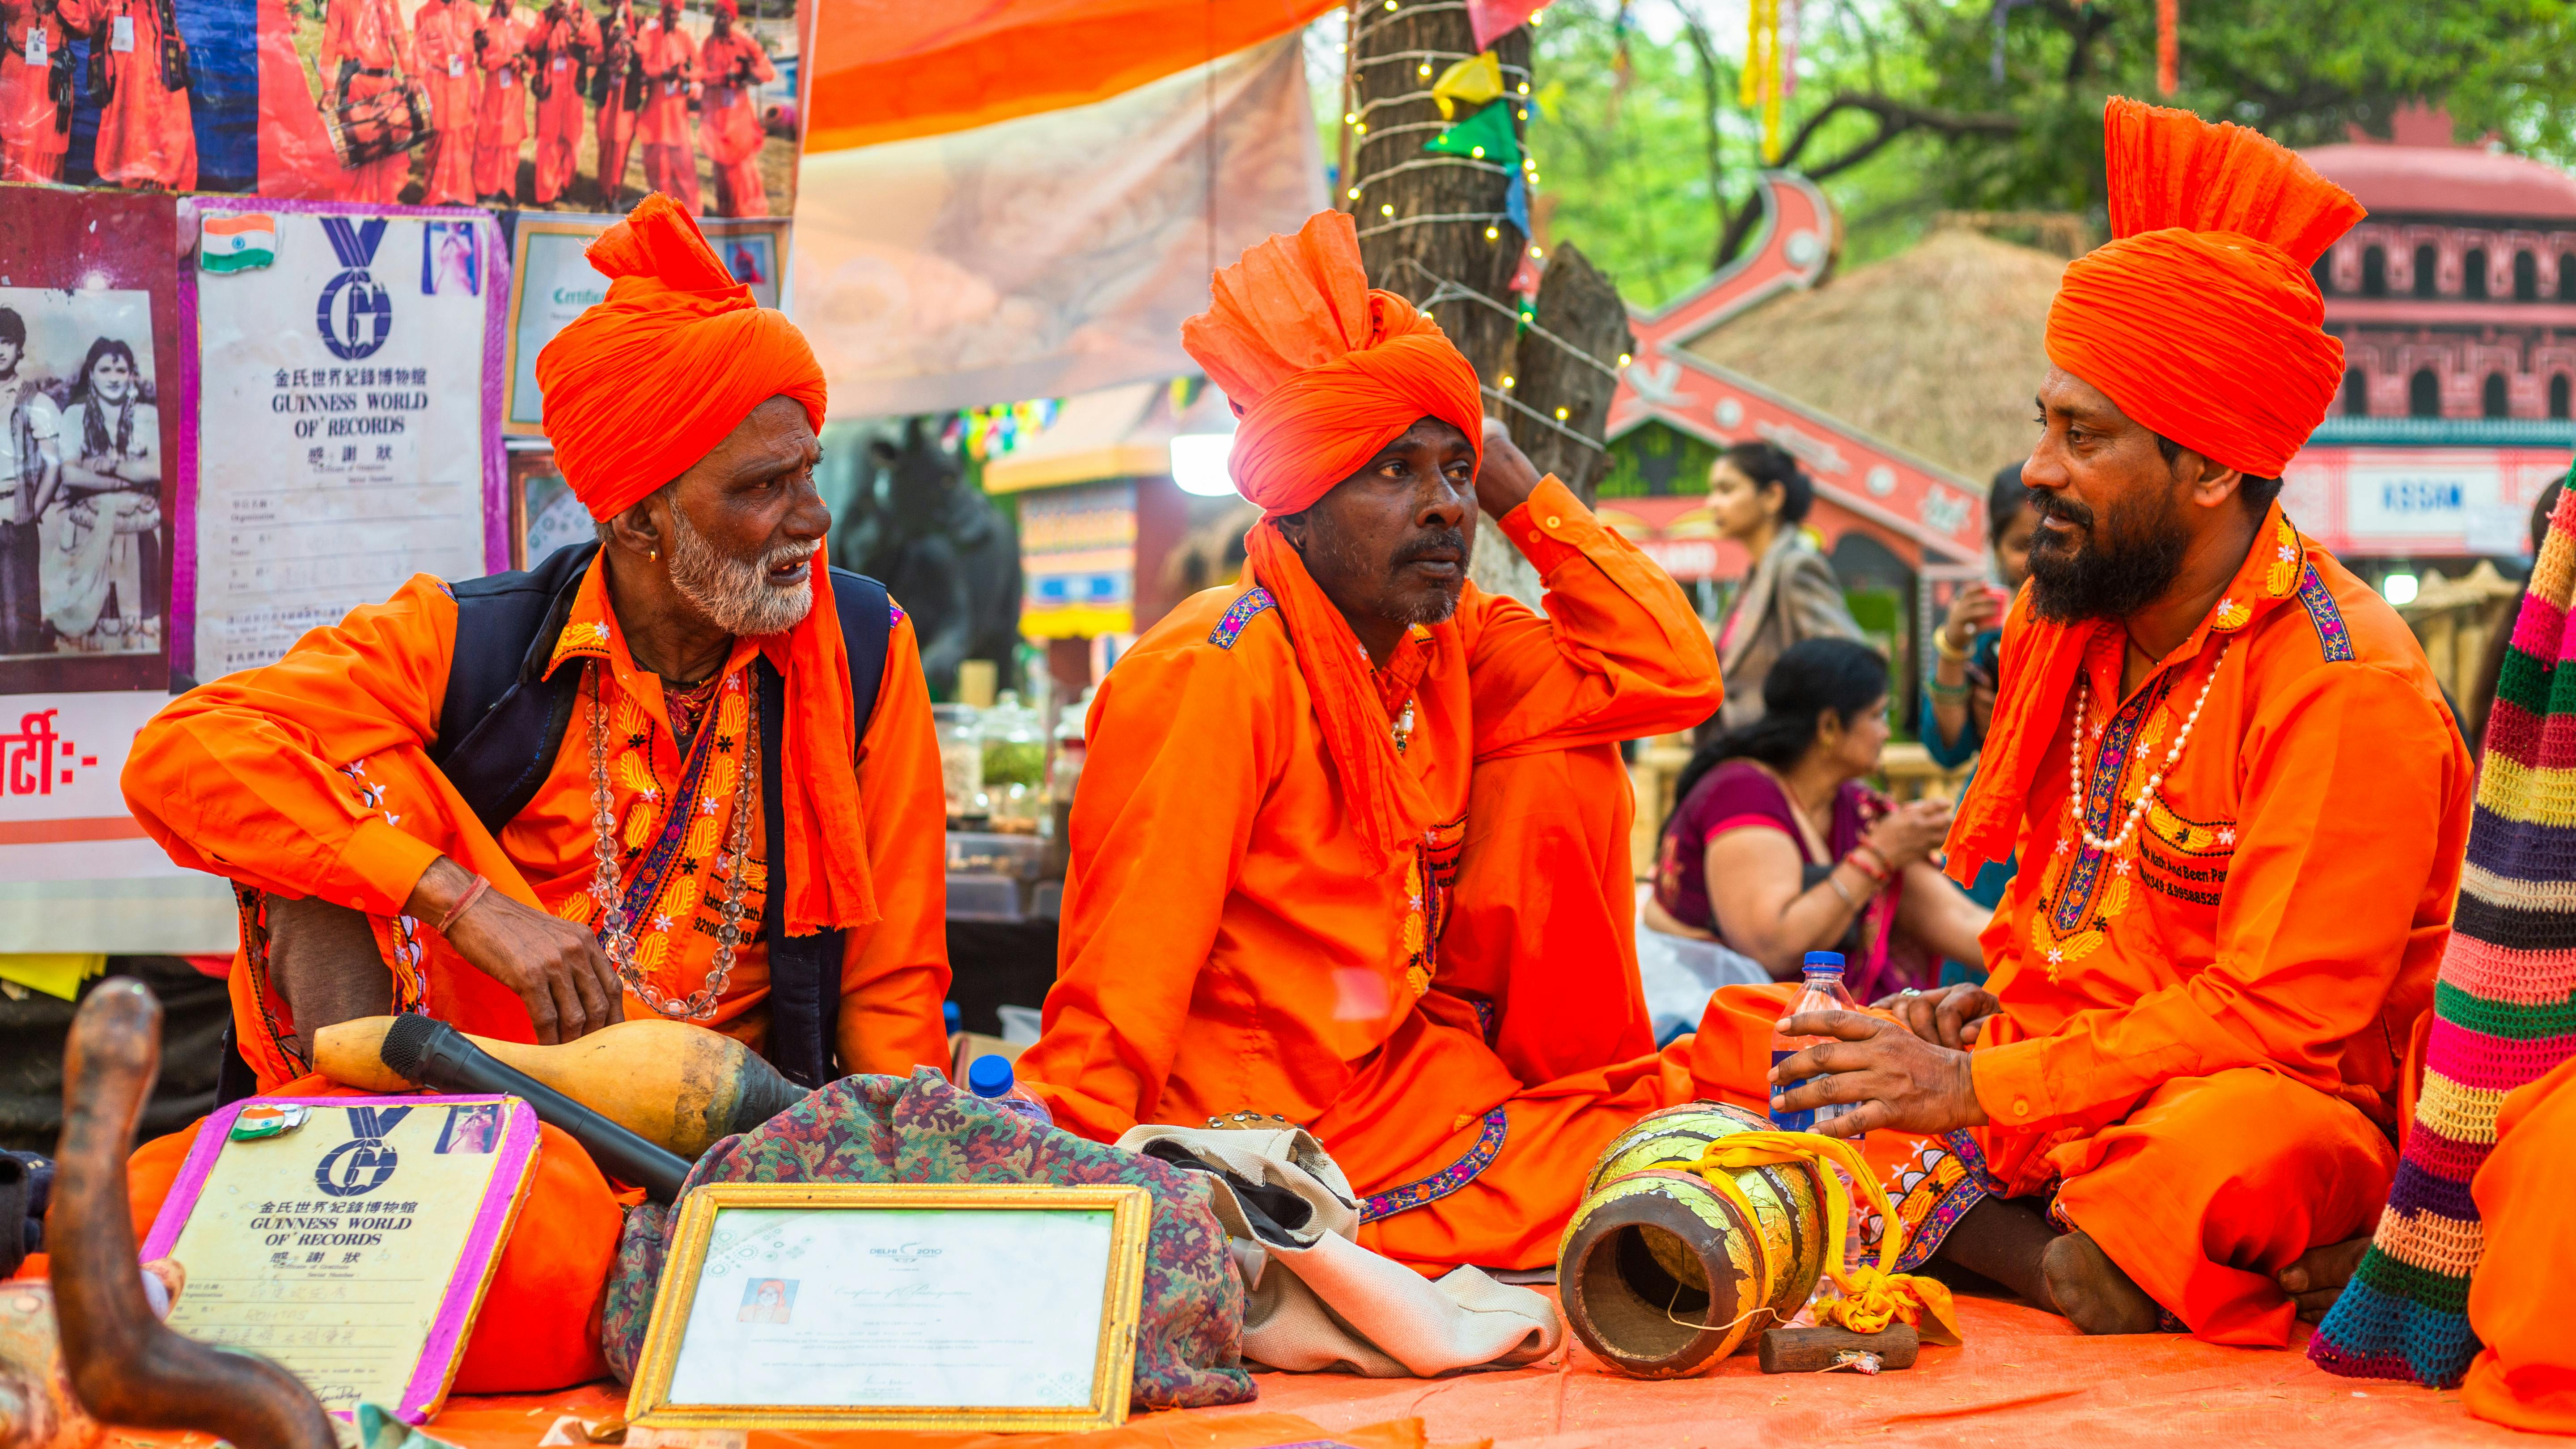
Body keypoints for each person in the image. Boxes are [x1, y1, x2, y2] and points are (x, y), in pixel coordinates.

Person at [121, 197, 952, 1385]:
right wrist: (463, 901)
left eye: (811, 470)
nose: (813, 522)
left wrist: (896, 1180)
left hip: (738, 1149)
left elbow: (896, 980)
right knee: (327, 792)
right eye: (764, 489)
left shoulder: (862, 645)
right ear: (639, 515)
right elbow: (183, 757)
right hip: (483, 1153)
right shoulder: (464, 643)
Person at [1692, 97, 2472, 1345]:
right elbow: (2063, 931)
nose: (2041, 470)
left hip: (2253, 1103)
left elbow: (2281, 1019)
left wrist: (1968, 1086)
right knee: (1766, 1038)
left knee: (2218, 1155)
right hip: (2068, 1075)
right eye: (2042, 427)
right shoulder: (2072, 631)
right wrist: (1967, 1019)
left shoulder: (2344, 680)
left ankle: (2033, 1239)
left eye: (2084, 436)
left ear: (2212, 470)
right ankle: (2054, 1250)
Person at [1015, 210, 1727, 1275]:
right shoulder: (1215, 669)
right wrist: (1064, 1219)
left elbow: (1669, 671)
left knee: (1744, 1080)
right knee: (1696, 1163)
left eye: (1452, 472)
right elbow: (1119, 988)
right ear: (1296, 504)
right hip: (1278, 1148)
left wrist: (1516, 489)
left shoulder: (1448, 646)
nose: (1443, 507)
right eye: (1392, 471)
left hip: (1419, 1086)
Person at [1649, 636, 1987, 993]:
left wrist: (2048, 954)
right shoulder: (1742, 794)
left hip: (1818, 1029)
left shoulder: (1858, 809)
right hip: (1726, 1024)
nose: (1886, 733)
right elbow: (1774, 947)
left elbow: (1960, 921)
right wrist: (1878, 856)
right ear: (1828, 727)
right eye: (1876, 716)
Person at [1921, 463, 2038, 974]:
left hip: (2057, 814)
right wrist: (1953, 647)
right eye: (2019, 544)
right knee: (1976, 965)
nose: (2036, 558)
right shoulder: (1987, 641)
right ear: (1994, 547)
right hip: (1994, 829)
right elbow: (1945, 745)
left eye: (2050, 536)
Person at [1703, 441, 1860, 738]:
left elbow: (1849, 663)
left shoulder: (1796, 568)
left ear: (1772, 497)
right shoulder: (1754, 578)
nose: (1712, 502)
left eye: (1726, 490)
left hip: (1781, 761)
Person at [46, 337, 158, 654]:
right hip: (88, 530)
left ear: (132, 375)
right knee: (87, 648)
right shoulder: (74, 416)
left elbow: (156, 471)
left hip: (140, 532)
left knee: (139, 644)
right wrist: (124, 479)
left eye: (121, 370)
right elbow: (72, 474)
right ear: (91, 373)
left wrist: (106, 466)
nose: (113, 377)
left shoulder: (147, 415)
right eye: (104, 369)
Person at [57, 0, 191, 190]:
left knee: (174, 154)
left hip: (164, 69)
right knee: (128, 150)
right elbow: (83, 18)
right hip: (128, 75)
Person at [0, 309, 61, 656]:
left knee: (17, 623)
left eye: (6, 342)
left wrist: (33, 510)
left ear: (19, 347)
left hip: (14, 519)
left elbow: (54, 465)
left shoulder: (35, 401)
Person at [317, 0, 415, 204]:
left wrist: (410, 73)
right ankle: (357, 205)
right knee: (358, 148)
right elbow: (329, 43)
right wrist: (328, 87)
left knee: (391, 151)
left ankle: (387, 203)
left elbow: (401, 38)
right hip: (356, 83)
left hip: (387, 84)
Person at [694, 0, 766, 217]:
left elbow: (766, 70)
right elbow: (699, 74)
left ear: (733, 19)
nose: (723, 20)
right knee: (721, 171)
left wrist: (750, 75)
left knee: (742, 169)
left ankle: (745, 214)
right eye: (720, 16)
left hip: (739, 118)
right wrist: (723, 78)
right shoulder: (709, 43)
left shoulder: (744, 43)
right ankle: (724, 211)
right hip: (717, 118)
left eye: (728, 17)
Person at [411, 0, 480, 205]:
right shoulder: (423, 14)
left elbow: (483, 44)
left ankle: (462, 195)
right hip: (438, 84)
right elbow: (417, 54)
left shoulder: (471, 11)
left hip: (464, 84)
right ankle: (436, 196)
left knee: (463, 139)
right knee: (437, 138)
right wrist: (418, 83)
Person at [524, 0, 593, 203]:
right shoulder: (544, 16)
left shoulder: (583, 15)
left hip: (573, 90)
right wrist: (551, 23)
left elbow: (593, 39)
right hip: (551, 88)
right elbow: (532, 43)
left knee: (572, 140)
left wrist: (575, 25)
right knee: (549, 141)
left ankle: (564, 188)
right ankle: (546, 195)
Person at [634, 0, 695, 212]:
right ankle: (662, 211)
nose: (672, 17)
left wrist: (687, 74)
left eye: (676, 13)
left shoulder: (685, 38)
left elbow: (699, 67)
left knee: (683, 168)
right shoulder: (650, 36)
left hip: (678, 116)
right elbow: (645, 68)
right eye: (668, 12)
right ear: (663, 11)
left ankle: (690, 213)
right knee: (658, 168)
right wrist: (665, 73)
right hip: (656, 115)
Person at [0, 0, 72, 182]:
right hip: (16, 73)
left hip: (52, 77)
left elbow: (86, 24)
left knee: (47, 154)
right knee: (9, 146)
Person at [470, 0, 530, 203]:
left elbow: (531, 61)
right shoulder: (487, 28)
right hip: (494, 91)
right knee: (488, 138)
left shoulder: (523, 30)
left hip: (515, 92)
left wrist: (523, 63)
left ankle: (507, 187)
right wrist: (504, 61)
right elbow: (483, 61)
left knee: (511, 142)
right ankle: (485, 187)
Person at [589, 0, 642, 206]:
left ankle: (616, 193)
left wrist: (631, 41)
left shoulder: (639, 26)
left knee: (621, 144)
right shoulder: (602, 26)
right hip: (607, 92)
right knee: (605, 140)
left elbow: (645, 54)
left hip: (626, 95)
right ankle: (603, 191)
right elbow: (594, 55)